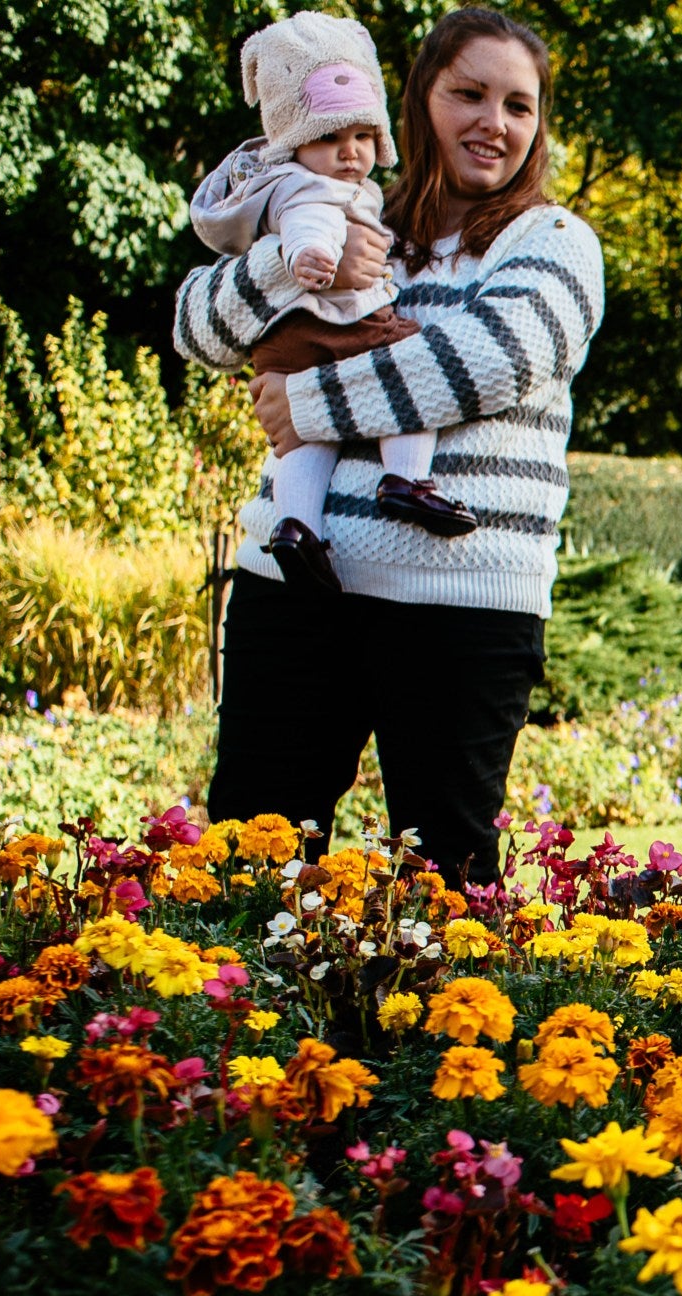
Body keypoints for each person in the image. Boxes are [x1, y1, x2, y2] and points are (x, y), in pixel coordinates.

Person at [172, 8, 603, 889]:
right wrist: (293, 261)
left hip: (459, 605)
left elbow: (486, 361)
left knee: (445, 879)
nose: (494, 122)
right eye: (469, 94)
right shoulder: (338, 212)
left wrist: (304, 403)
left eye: (518, 105)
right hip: (292, 589)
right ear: (416, 102)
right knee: (246, 863)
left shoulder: (553, 243)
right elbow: (195, 328)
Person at [187, 10, 478, 592]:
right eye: (329, 138)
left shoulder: (301, 184)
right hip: (337, 323)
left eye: (362, 138)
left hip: (285, 349)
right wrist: (309, 261)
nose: (349, 153)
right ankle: (406, 478)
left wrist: (301, 403)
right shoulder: (311, 186)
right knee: (405, 356)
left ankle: (296, 526)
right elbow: (307, 226)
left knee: (302, 436)